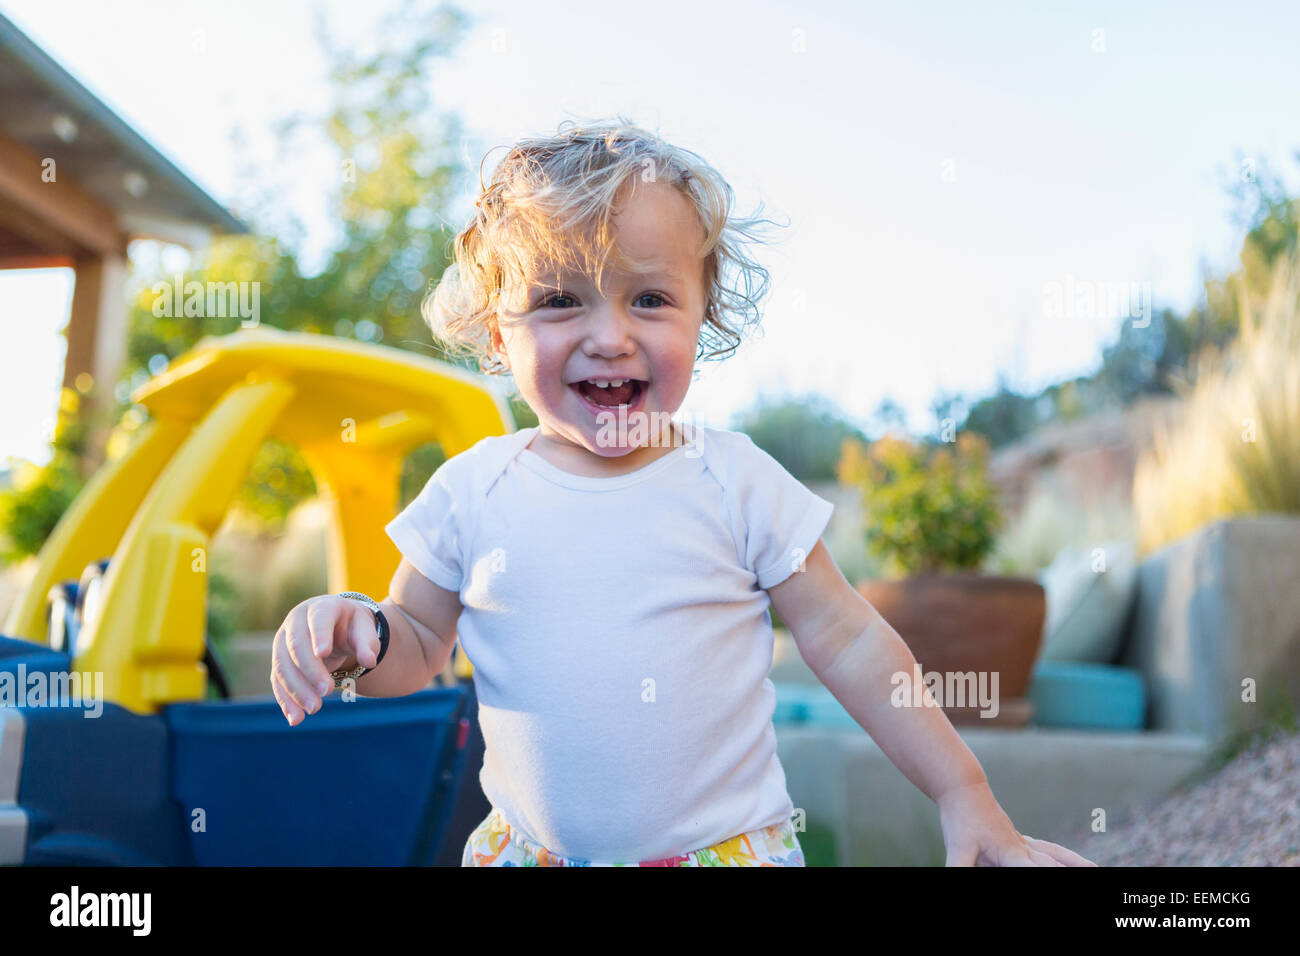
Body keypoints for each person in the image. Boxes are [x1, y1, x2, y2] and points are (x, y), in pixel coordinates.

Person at [270, 117, 1095, 868]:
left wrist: (963, 792)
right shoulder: (473, 492)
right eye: (560, 300)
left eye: (651, 299)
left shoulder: (734, 483)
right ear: (497, 330)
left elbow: (848, 642)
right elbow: (417, 646)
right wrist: (362, 636)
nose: (609, 335)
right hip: (532, 853)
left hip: (721, 854)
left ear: (702, 318)